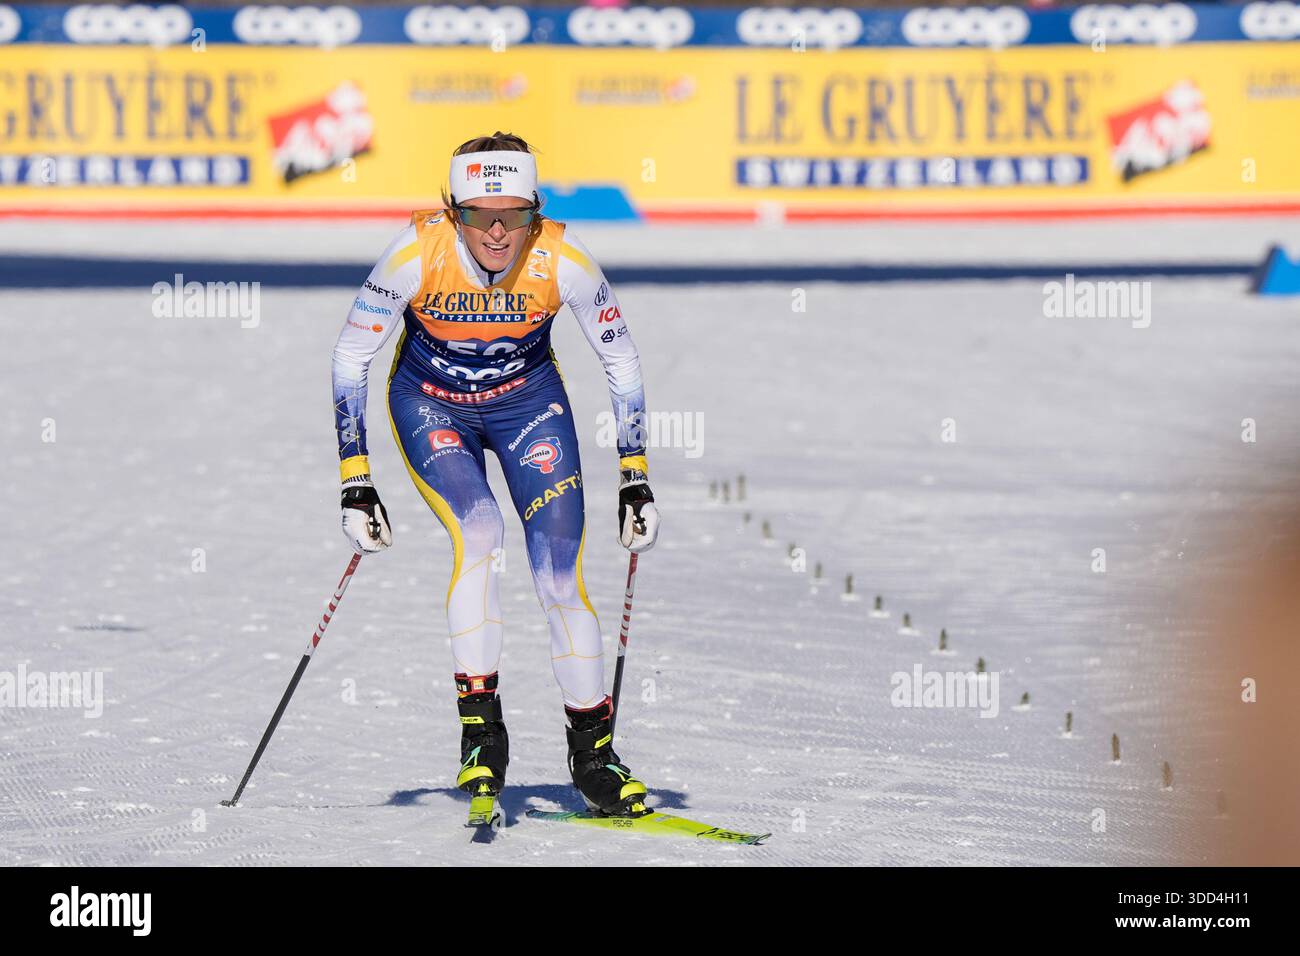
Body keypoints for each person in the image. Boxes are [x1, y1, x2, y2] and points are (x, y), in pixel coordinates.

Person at [330, 132, 660, 817]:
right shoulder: (414, 255)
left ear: (537, 210)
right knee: (479, 533)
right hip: (431, 403)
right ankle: (482, 736)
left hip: (527, 406)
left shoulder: (563, 260)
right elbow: (349, 359)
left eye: (516, 214)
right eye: (482, 216)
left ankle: (593, 756)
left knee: (559, 575)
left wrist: (635, 475)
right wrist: (356, 479)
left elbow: (621, 363)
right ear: (453, 212)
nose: (500, 232)